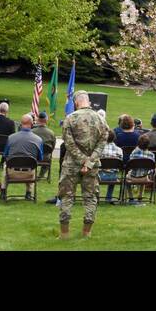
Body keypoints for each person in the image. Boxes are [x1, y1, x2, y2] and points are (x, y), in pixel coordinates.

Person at [58, 90, 109, 237]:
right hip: (92, 166)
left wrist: (83, 161)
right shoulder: (101, 120)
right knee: (90, 197)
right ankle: (86, 232)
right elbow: (102, 143)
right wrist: (89, 162)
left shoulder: (70, 118)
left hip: (71, 165)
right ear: (89, 101)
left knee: (66, 197)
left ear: (76, 102)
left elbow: (69, 143)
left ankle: (64, 233)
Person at [4, 113, 44, 197]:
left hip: (11, 173)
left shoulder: (11, 138)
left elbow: (5, 155)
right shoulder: (38, 140)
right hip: (29, 174)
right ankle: (29, 192)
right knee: (32, 163)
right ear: (32, 124)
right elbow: (40, 158)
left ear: (21, 124)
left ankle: (3, 191)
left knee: (5, 165)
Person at [127, 134, 156, 203]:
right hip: (144, 178)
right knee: (144, 175)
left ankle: (131, 197)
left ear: (138, 143)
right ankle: (140, 196)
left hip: (133, 177)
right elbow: (152, 169)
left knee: (126, 178)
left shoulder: (134, 152)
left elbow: (130, 164)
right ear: (148, 144)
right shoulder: (151, 155)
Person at [99, 130, 123, 203]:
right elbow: (120, 164)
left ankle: (96, 196)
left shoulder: (99, 149)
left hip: (99, 176)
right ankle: (109, 197)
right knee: (113, 172)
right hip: (113, 177)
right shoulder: (119, 150)